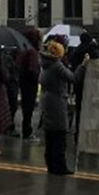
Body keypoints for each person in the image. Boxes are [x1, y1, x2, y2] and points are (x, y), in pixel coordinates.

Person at [40, 41, 76, 175]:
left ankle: (50, 165)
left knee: (50, 134)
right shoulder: (57, 65)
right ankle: (60, 167)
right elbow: (72, 78)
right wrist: (82, 66)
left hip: (47, 101)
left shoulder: (45, 64)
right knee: (60, 134)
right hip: (57, 102)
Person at [17, 28, 43, 141]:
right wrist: (39, 75)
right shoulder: (32, 52)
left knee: (25, 108)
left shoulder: (24, 49)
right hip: (30, 84)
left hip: (24, 82)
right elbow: (32, 70)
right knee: (29, 108)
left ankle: (26, 130)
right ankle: (27, 132)